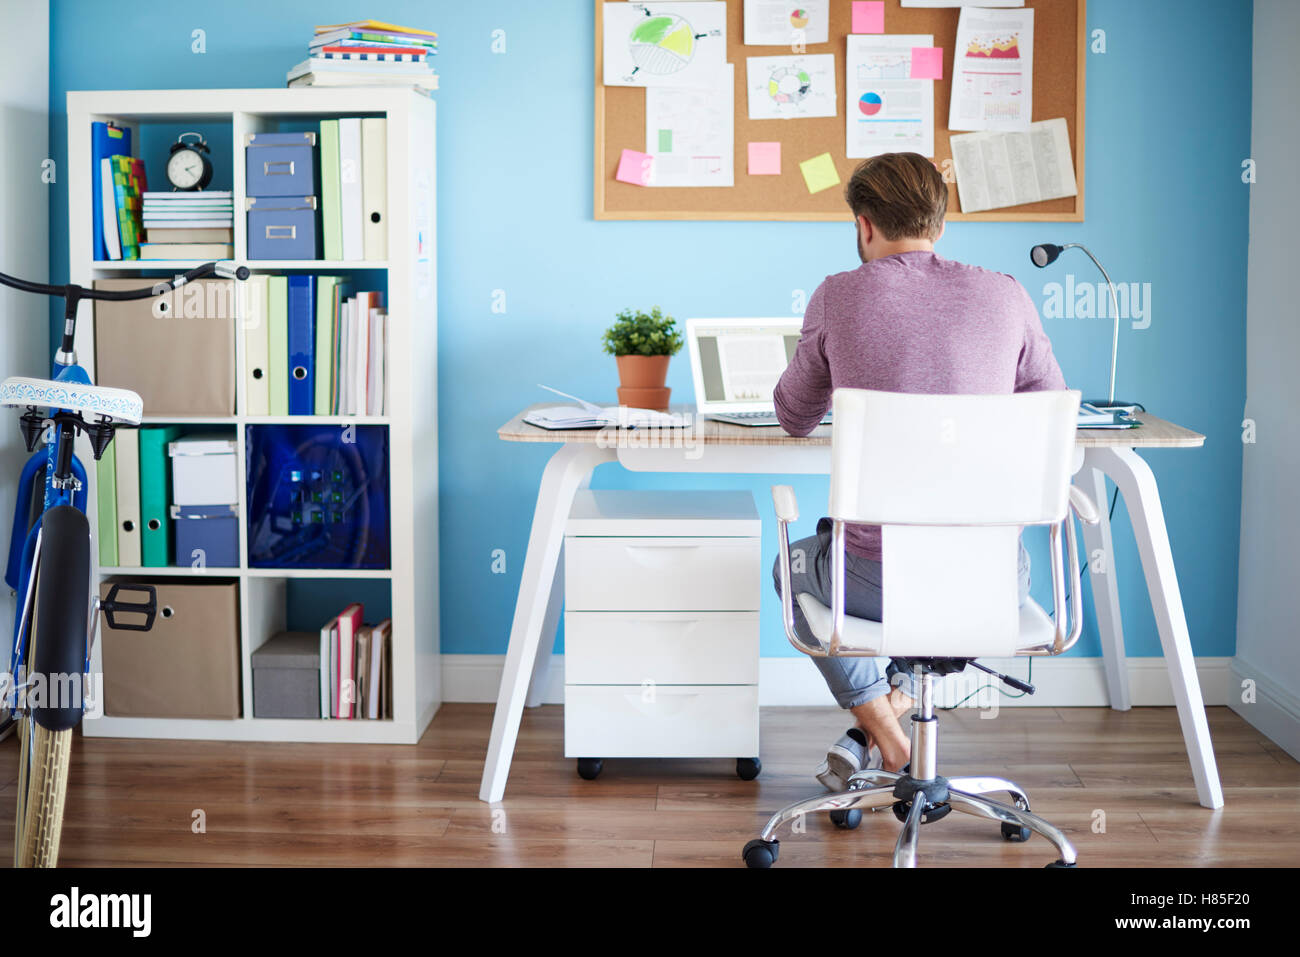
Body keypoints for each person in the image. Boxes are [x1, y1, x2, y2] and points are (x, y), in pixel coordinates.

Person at [771, 152, 1066, 789]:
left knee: (789, 563)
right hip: (992, 581)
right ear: (939, 223)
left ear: (864, 224)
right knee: (937, 604)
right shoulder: (1007, 294)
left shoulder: (837, 295)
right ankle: (887, 734)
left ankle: (885, 738)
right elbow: (1049, 414)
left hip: (872, 584)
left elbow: (793, 416)